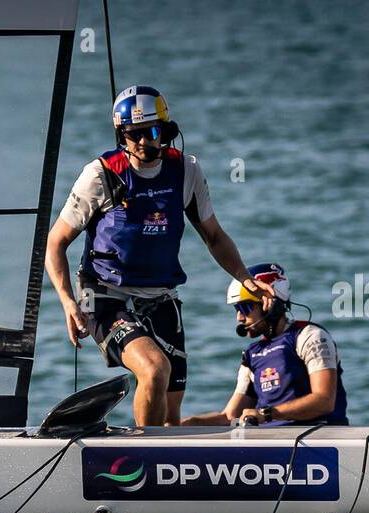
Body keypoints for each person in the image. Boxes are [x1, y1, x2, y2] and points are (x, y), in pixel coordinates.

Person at [45, 84, 273, 426]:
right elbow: (55, 243)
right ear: (121, 134)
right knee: (154, 368)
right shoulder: (101, 174)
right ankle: (140, 462)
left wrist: (245, 278)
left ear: (165, 131)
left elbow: (213, 235)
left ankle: (164, 467)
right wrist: (67, 302)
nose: (141, 142)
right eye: (131, 134)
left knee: (170, 415)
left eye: (149, 132)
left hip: (162, 298)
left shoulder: (186, 171)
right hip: (104, 296)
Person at [181, 263, 349, 427]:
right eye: (236, 309)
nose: (239, 317)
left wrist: (266, 414)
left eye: (245, 308)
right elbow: (230, 416)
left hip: (317, 439)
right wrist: (189, 423)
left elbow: (324, 401)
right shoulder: (252, 355)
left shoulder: (311, 336)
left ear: (271, 304)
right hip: (271, 441)